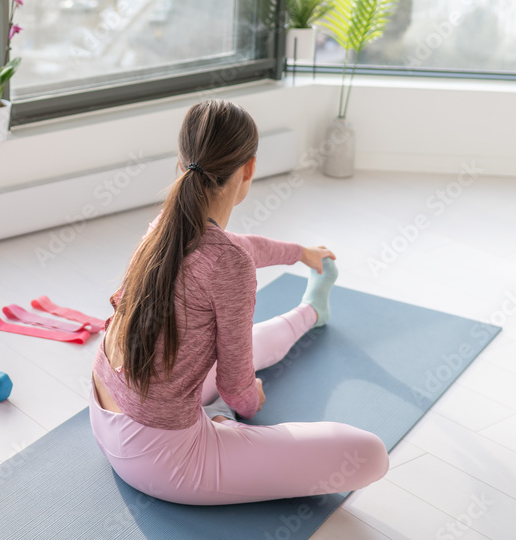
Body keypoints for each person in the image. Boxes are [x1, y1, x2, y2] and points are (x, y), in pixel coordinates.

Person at [89, 99, 389, 505]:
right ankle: (224, 431)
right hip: (161, 459)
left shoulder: (166, 225)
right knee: (368, 453)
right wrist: (250, 399)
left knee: (247, 342)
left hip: (105, 412)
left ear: (182, 165)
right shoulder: (227, 262)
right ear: (249, 168)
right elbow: (235, 386)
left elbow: (244, 247)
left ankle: (312, 311)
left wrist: (300, 252)